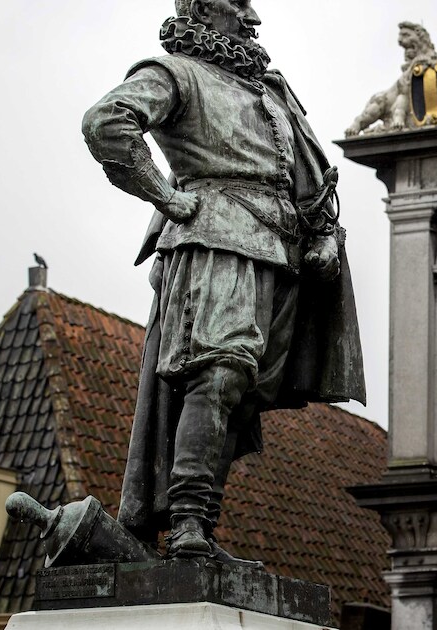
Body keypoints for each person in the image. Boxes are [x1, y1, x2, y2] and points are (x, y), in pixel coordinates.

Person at [81, 0, 365, 564]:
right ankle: (186, 523)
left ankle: (201, 528)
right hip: (215, 238)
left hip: (280, 254)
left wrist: (326, 235)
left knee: (243, 397)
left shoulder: (271, 91)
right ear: (207, 10)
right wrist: (164, 195)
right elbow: (106, 121)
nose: (253, 20)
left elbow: (311, 179)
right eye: (239, 6)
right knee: (220, 372)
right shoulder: (175, 74)